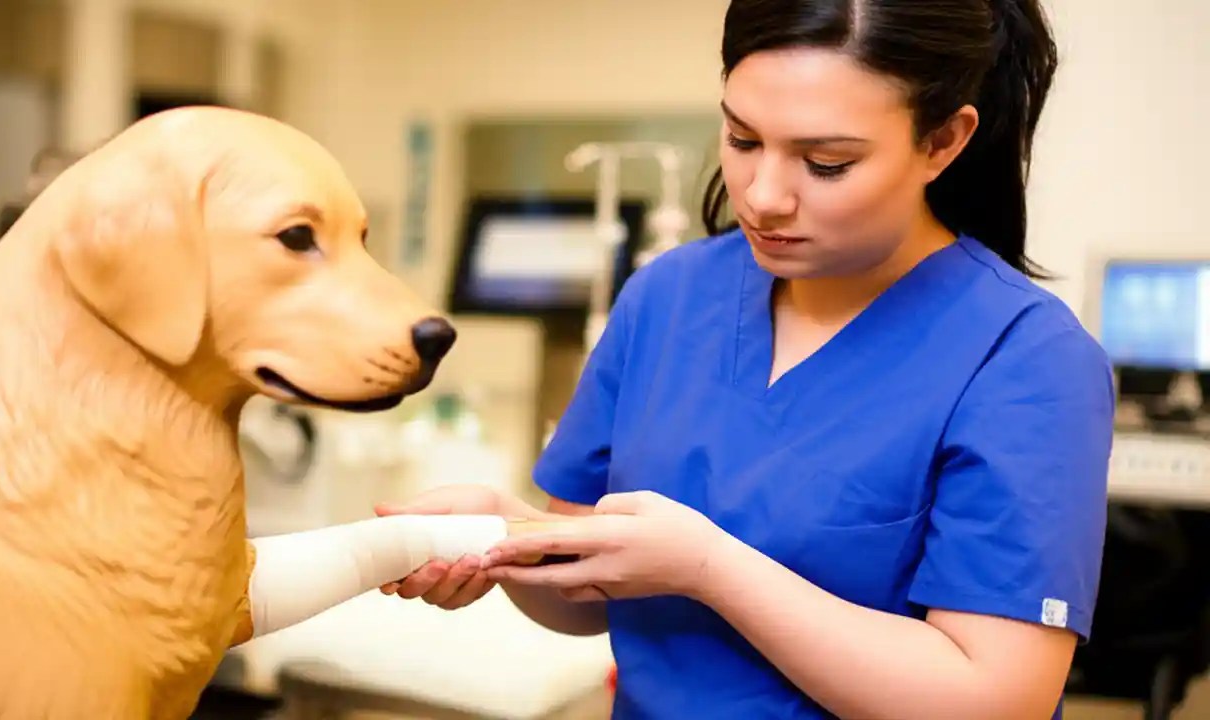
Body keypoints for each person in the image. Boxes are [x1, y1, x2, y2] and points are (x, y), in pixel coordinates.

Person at [376, 0, 1116, 717]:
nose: (762, 197)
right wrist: (501, 534)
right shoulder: (669, 296)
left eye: (825, 163)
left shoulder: (1025, 358)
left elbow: (994, 700)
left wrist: (708, 570)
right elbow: (587, 597)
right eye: (742, 139)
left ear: (942, 142)